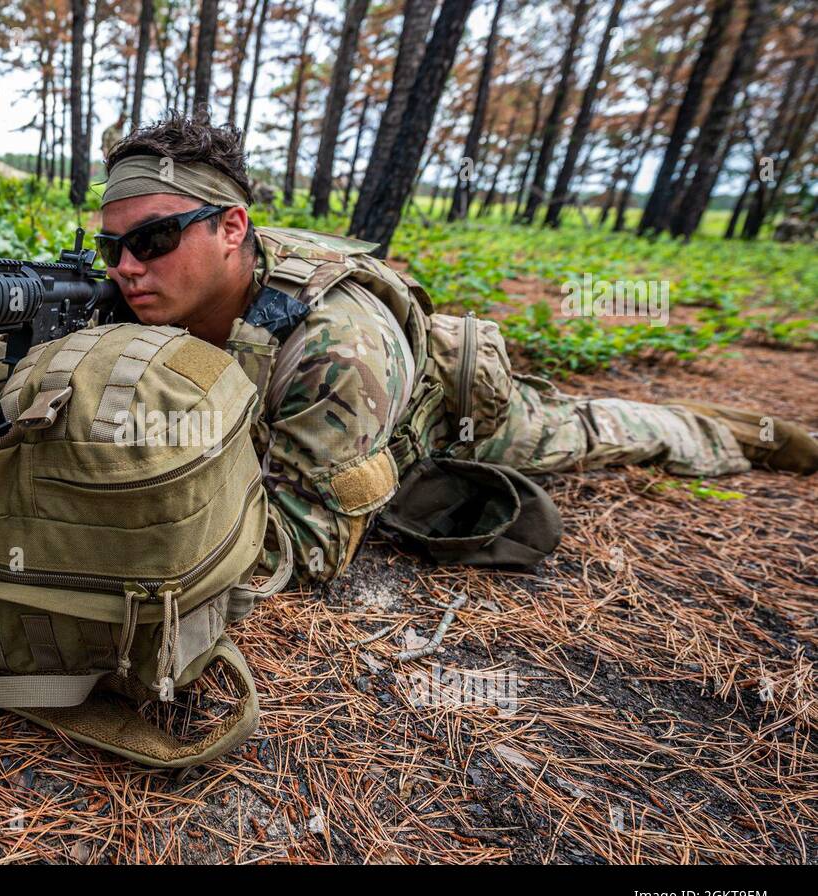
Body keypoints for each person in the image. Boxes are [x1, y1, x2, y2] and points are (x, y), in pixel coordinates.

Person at [95, 114, 818, 585]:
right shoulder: (160, 288)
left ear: (231, 228)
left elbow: (303, 549)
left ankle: (739, 431)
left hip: (449, 411)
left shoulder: (331, 347)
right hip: (320, 403)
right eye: (110, 246)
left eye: (154, 240)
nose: (127, 266)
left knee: (600, 430)